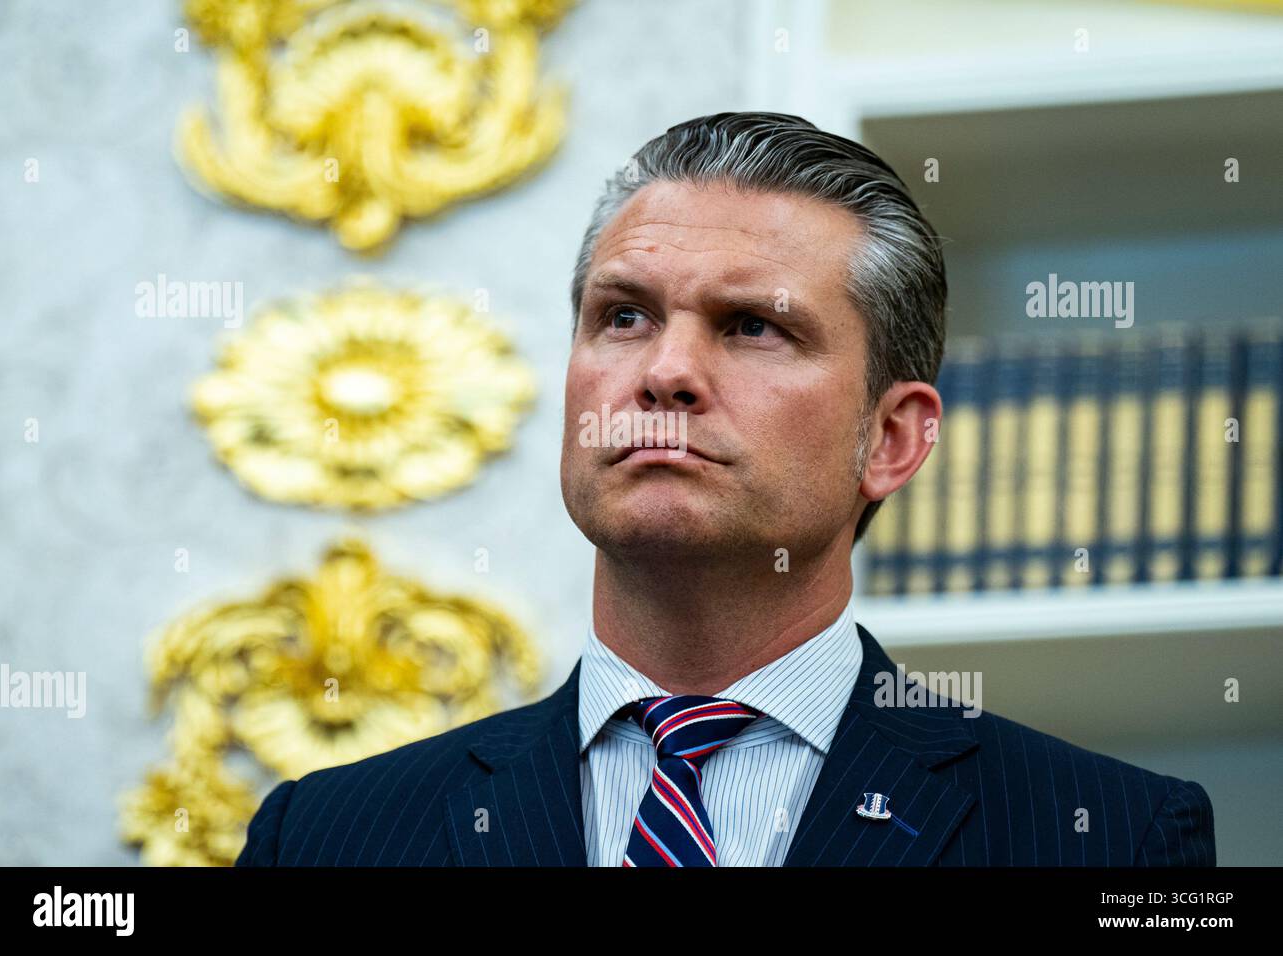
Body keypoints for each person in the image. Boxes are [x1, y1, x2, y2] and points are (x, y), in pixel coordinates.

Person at [235, 112, 1215, 867]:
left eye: (751, 325)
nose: (664, 372)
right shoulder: (324, 834)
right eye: (622, 315)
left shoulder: (1112, 835)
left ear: (891, 437)